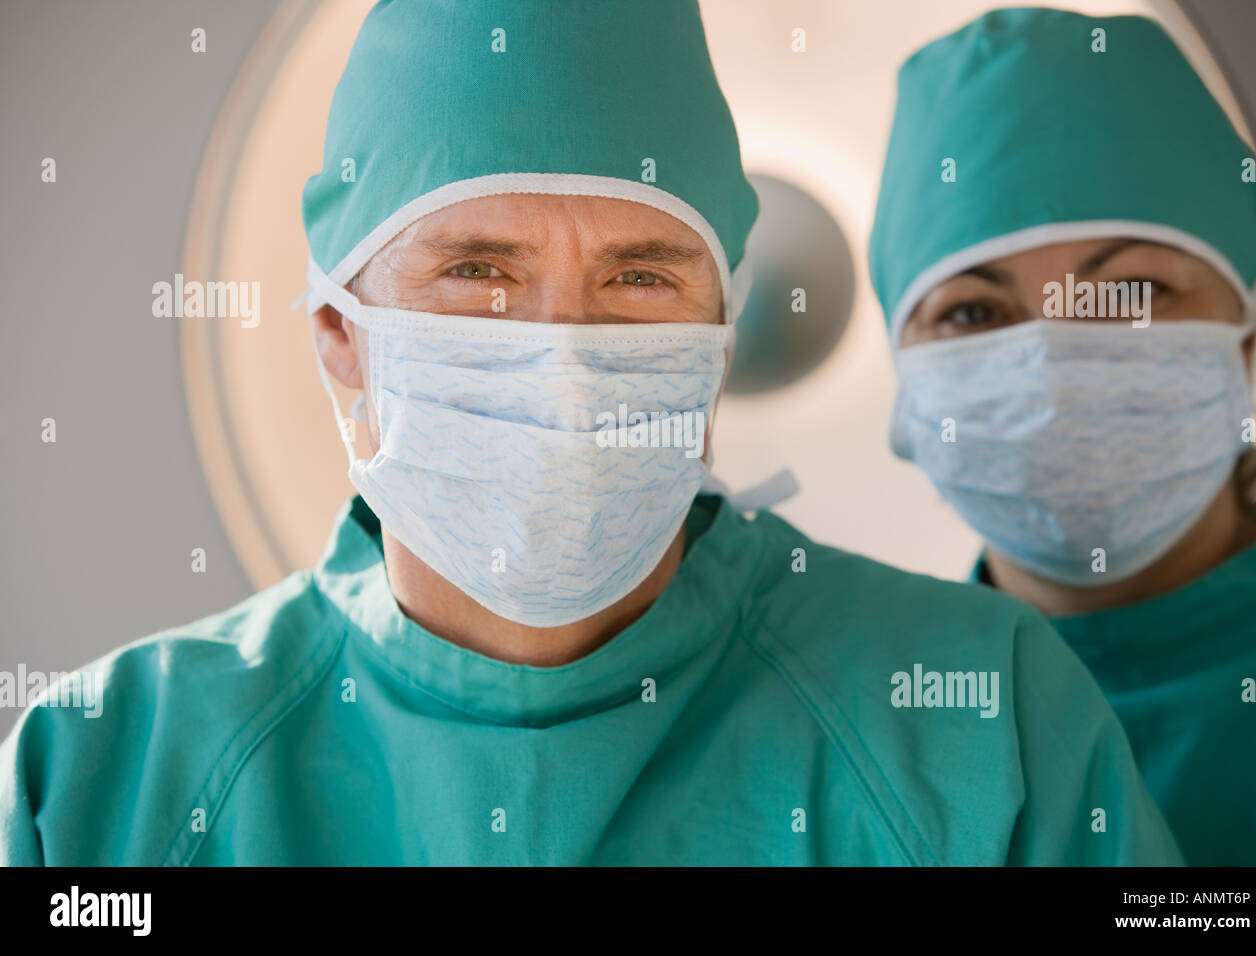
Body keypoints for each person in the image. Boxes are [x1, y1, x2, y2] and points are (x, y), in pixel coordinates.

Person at [0, 0, 1181, 866]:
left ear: (720, 341)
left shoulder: (977, 718)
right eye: (476, 270)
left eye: (639, 279)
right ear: (339, 337)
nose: (562, 352)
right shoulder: (112, 774)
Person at [870, 7, 1256, 865]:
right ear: (906, 384)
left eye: (1128, 293)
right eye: (974, 312)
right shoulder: (866, 721)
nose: (1049, 361)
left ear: (1244, 339)